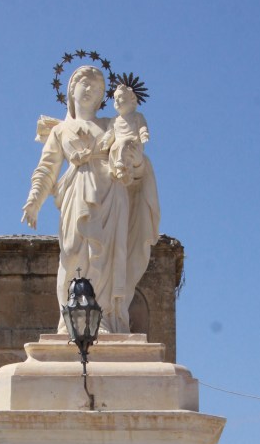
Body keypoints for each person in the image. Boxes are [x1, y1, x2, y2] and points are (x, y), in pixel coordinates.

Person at [22, 65, 160, 334]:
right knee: (73, 252)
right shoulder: (60, 131)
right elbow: (46, 168)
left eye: (97, 88)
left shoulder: (111, 125)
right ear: (71, 91)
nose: (90, 90)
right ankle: (70, 316)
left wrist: (137, 160)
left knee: (106, 256)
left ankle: (105, 316)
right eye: (85, 84)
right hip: (77, 192)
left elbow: (134, 156)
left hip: (112, 194)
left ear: (102, 98)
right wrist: (34, 200)